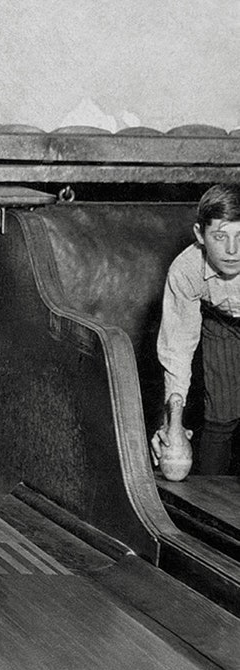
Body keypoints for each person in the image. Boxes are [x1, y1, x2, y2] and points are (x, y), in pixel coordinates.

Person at [152, 183, 240, 476]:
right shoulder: (186, 270)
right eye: (220, 236)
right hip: (221, 324)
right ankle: (209, 497)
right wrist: (171, 420)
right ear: (200, 235)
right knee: (220, 417)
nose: (232, 250)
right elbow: (177, 348)